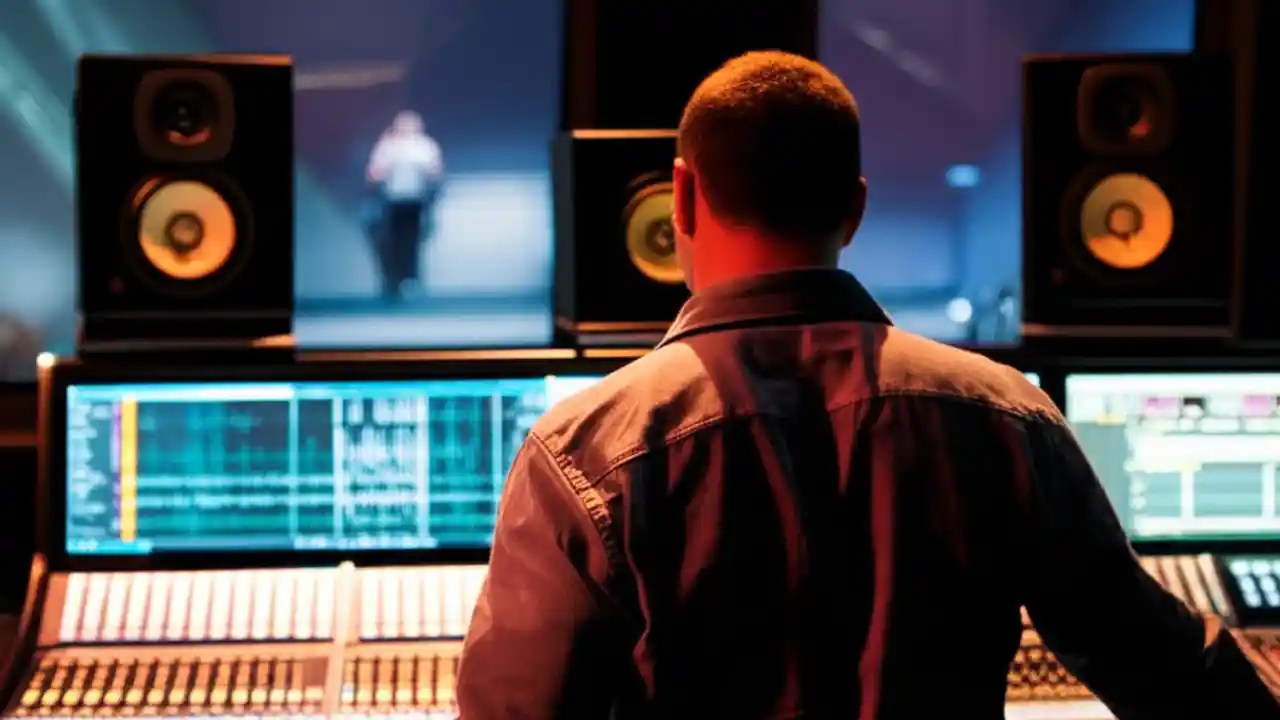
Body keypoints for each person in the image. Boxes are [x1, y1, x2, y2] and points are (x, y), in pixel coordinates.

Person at [456, 51, 1279, 719]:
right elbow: (1170, 672)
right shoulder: (1005, 419)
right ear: (854, 210)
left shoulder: (583, 451)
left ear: (680, 195)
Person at [365, 110, 444, 300]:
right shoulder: (387, 146)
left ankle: (411, 280)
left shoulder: (425, 146)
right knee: (392, 242)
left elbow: (437, 173)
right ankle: (393, 281)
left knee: (413, 241)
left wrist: (424, 172)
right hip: (392, 202)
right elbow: (372, 175)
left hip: (416, 201)